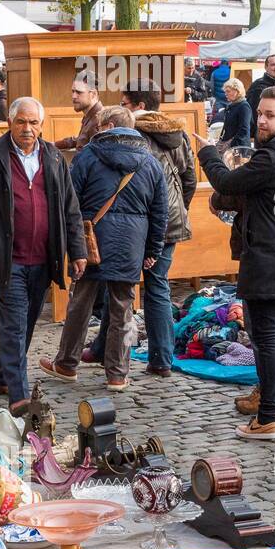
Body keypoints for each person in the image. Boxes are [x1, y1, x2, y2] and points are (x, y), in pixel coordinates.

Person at [192, 85, 275, 440]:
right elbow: (262, 197)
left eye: (270, 115)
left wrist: (206, 152)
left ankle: (267, 420)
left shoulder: (273, 157)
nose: (261, 121)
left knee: (268, 341)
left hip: (269, 260)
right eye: (260, 113)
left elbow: (226, 179)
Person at [0, 97, 86, 412]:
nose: (28, 129)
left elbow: (70, 209)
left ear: (41, 125)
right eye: (21, 122)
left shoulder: (54, 158)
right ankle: (19, 395)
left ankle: (4, 375)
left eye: (33, 123)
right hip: (8, 260)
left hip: (44, 258)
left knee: (26, 323)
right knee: (14, 323)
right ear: (10, 123)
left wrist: (78, 250)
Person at [40, 106, 167, 391]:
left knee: (81, 304)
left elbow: (70, 201)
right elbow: (160, 213)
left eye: (99, 125)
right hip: (131, 244)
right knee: (123, 309)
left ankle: (67, 363)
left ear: (108, 125)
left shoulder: (88, 155)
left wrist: (71, 243)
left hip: (91, 239)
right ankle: (117, 374)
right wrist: (152, 250)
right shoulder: (150, 162)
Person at [85, 82, 194, 377]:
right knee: (157, 286)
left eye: (124, 102)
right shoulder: (177, 132)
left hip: (134, 219)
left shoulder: (132, 133)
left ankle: (104, 350)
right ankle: (161, 359)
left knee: (117, 284)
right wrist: (176, 210)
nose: (121, 107)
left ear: (137, 105)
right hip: (168, 220)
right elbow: (189, 178)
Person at [53, 73, 102, 151]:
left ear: (93, 94)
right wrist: (52, 145)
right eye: (73, 91)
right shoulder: (90, 117)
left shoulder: (99, 121)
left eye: (79, 92)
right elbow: (79, 140)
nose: (73, 96)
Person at [247, 54, 275, 137]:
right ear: (266, 67)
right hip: (264, 132)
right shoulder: (258, 86)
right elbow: (254, 113)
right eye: (273, 65)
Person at [219, 77, 252, 150]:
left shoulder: (244, 106)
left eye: (228, 91)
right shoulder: (231, 105)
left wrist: (230, 143)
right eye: (225, 92)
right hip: (231, 147)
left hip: (239, 148)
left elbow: (244, 130)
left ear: (237, 91)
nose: (226, 94)